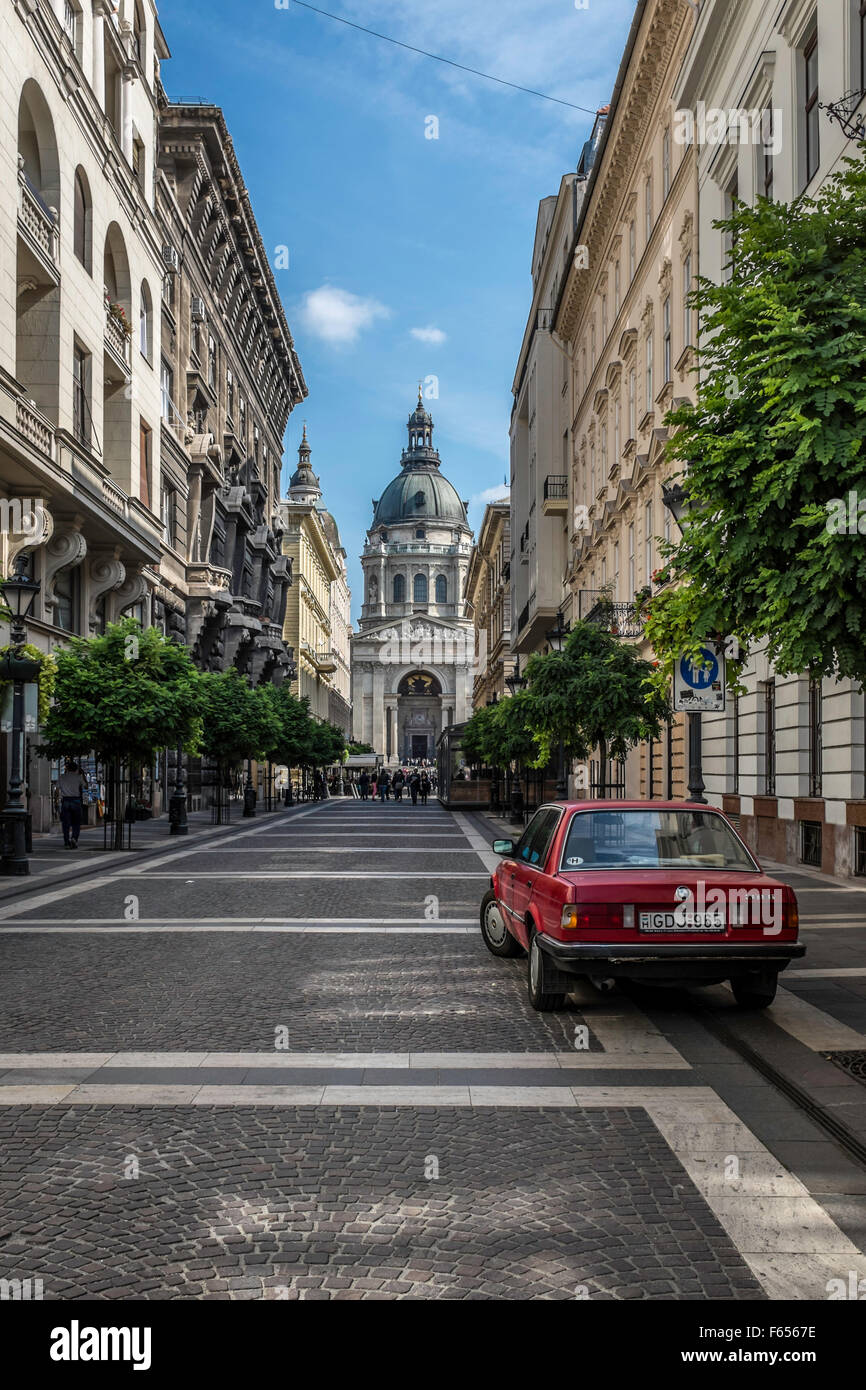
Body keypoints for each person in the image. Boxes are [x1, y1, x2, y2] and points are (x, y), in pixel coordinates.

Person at [58, 759, 88, 849]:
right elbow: (86, 786)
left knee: (65, 823)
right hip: (76, 801)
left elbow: (56, 789)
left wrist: (56, 799)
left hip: (66, 801)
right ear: (76, 769)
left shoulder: (62, 777)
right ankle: (74, 838)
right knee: (76, 822)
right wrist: (83, 776)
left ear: (67, 768)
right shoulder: (78, 777)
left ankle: (66, 842)